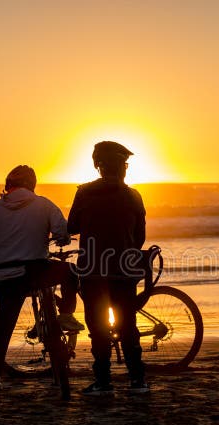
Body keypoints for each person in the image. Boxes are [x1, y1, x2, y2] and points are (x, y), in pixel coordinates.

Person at [0, 165, 84, 392]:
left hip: (5, 275)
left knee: (3, 328)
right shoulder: (44, 204)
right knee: (70, 272)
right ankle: (66, 316)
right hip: (37, 272)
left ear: (7, 185)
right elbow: (62, 231)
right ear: (32, 185)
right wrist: (61, 239)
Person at [68, 141, 148, 396]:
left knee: (98, 328)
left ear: (99, 167)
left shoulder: (84, 193)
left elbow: (72, 227)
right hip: (124, 271)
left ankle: (103, 382)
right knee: (128, 326)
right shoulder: (134, 196)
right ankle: (138, 381)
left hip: (92, 271)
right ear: (122, 169)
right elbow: (140, 236)